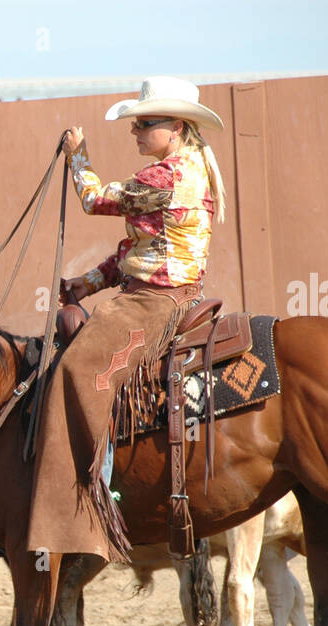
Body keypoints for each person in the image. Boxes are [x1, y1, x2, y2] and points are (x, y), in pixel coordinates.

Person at [28, 75, 228, 563]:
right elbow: (139, 252)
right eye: (135, 123)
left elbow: (95, 199)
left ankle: (92, 493)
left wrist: (79, 154)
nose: (135, 131)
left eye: (145, 123)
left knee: (79, 368)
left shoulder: (165, 176)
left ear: (176, 126)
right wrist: (86, 285)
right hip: (157, 291)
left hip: (155, 301)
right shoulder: (188, 167)